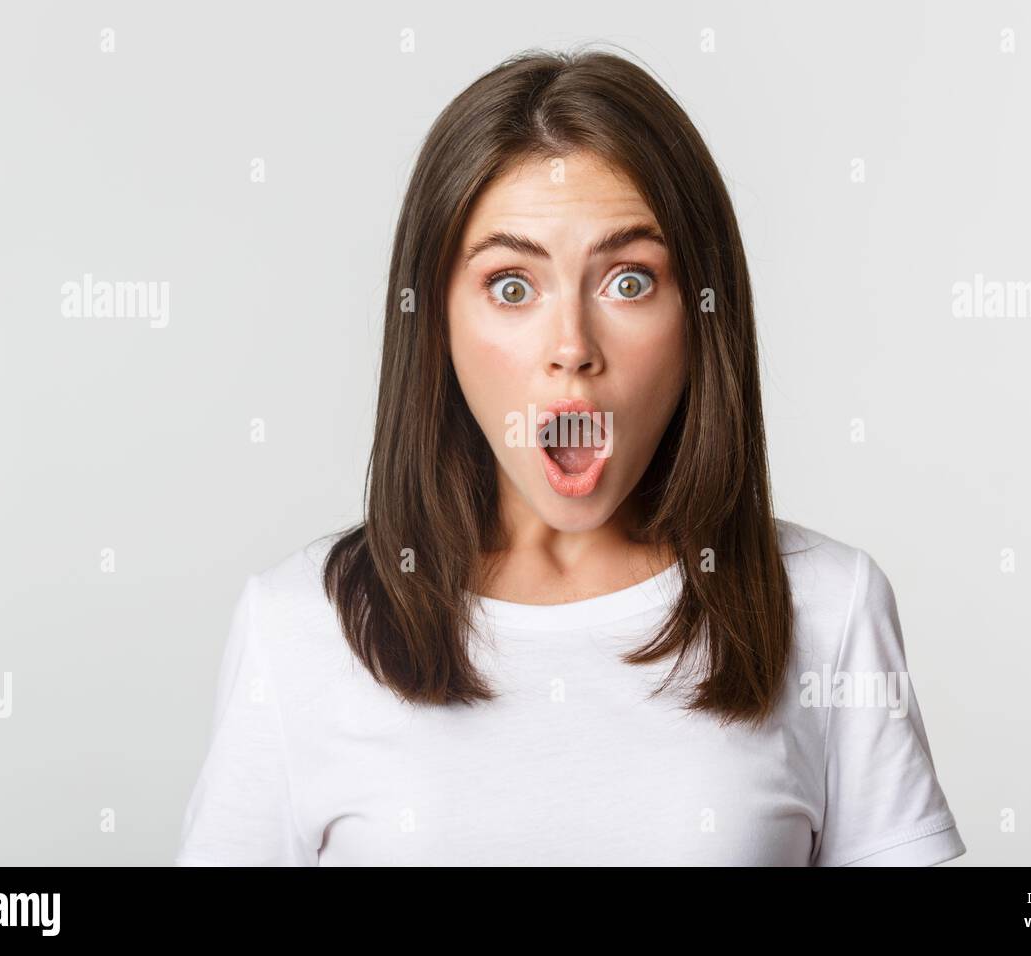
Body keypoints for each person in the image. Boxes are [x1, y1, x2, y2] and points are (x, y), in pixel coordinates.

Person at [175, 47, 965, 866]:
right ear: (435, 322)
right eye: (512, 286)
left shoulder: (829, 608)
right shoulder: (297, 625)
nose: (572, 348)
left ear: (700, 315)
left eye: (628, 281)